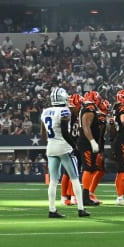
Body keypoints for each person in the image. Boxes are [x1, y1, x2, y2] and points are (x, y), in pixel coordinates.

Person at [41, 86, 90, 218]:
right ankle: (81, 208)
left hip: (51, 147)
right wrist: (74, 146)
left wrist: (50, 142)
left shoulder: (45, 111)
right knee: (74, 178)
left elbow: (43, 133)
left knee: (53, 181)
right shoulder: (64, 111)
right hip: (63, 147)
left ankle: (52, 209)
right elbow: (64, 132)